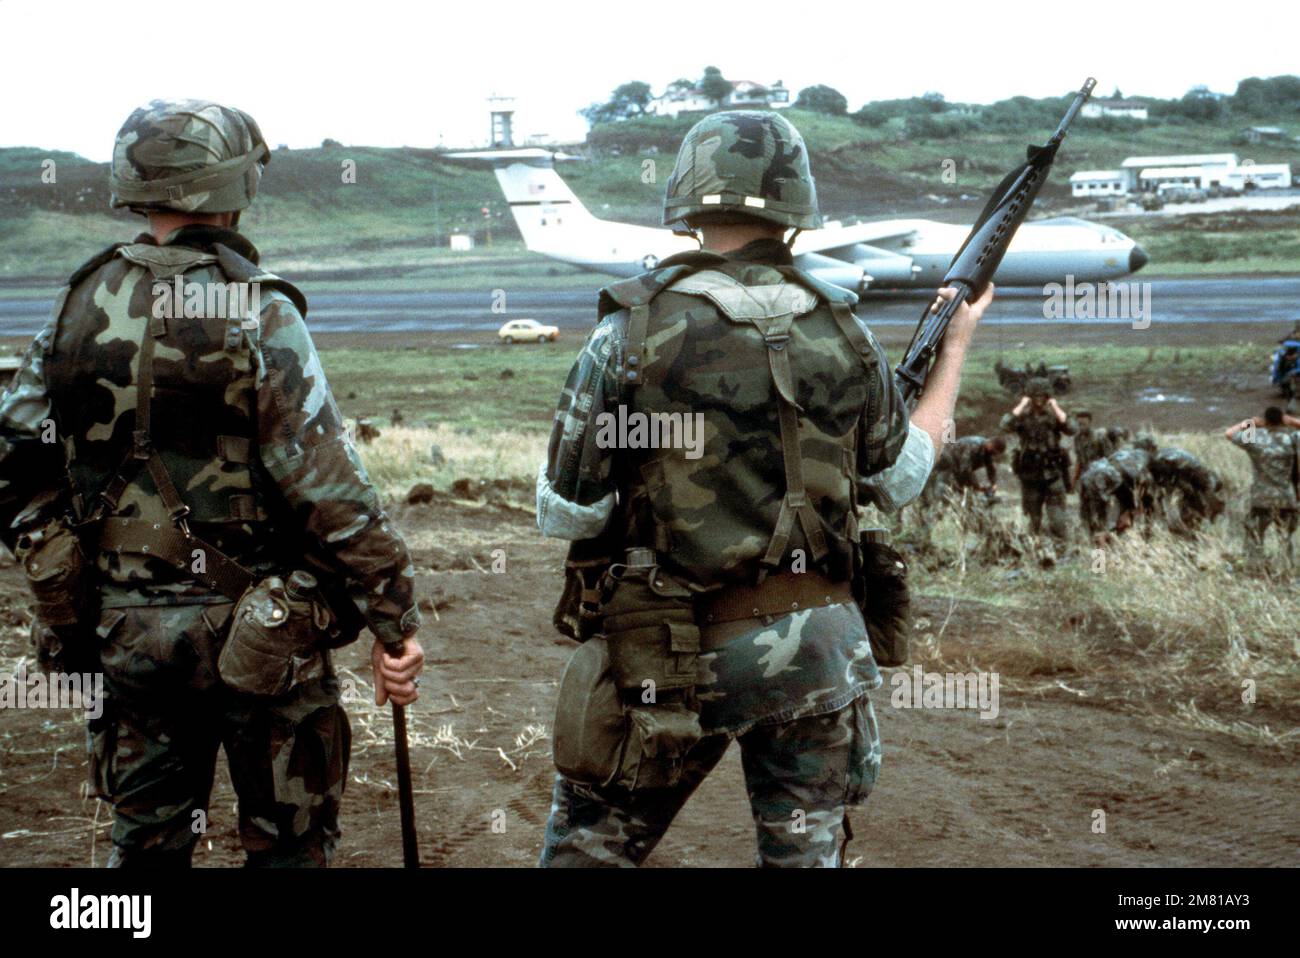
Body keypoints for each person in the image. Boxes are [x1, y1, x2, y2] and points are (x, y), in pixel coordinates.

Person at [535, 110, 991, 867]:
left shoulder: (630, 330)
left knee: (590, 854)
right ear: (796, 206)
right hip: (818, 650)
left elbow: (569, 509)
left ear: (686, 198)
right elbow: (900, 477)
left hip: (670, 654)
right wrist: (955, 351)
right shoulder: (845, 331)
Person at [0, 99, 424, 867]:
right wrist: (394, 616)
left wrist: (62, 577)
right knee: (289, 847)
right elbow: (333, 494)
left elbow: (14, 462)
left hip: (125, 636)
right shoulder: (259, 311)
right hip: (265, 636)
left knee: (143, 851)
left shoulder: (71, 307)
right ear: (235, 185)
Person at [1001, 377, 1076, 559]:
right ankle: (1034, 551)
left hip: (1053, 474)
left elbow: (1072, 429)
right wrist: (1022, 404)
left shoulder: (1054, 416)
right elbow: (1005, 425)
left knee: (1057, 517)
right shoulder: (1022, 417)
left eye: (1043, 396)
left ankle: (1061, 552)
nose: (1039, 400)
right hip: (1030, 476)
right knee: (1032, 517)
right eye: (1035, 397)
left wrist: (1056, 407)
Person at [1225, 407, 1300, 571]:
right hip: (1287, 498)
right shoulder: (1293, 439)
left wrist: (1251, 423)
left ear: (1265, 421)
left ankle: (1254, 567)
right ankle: (1285, 569)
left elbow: (1229, 434)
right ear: (1283, 420)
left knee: (1254, 535)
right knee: (1285, 538)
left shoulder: (1254, 439)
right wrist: (1293, 421)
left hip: (1262, 498)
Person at [1149, 447, 1225, 533]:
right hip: (1175, 471)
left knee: (1200, 495)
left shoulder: (1184, 466)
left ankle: (1208, 517)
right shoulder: (1158, 466)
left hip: (1189, 471)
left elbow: (1200, 485)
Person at [1071, 410, 1115, 487]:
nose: (1081, 427)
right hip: (1085, 477)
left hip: (1099, 477)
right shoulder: (1077, 438)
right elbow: (1079, 460)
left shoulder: (1100, 437)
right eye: (1079, 424)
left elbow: (1110, 458)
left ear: (1090, 423)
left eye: (1084, 424)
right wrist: (1074, 479)